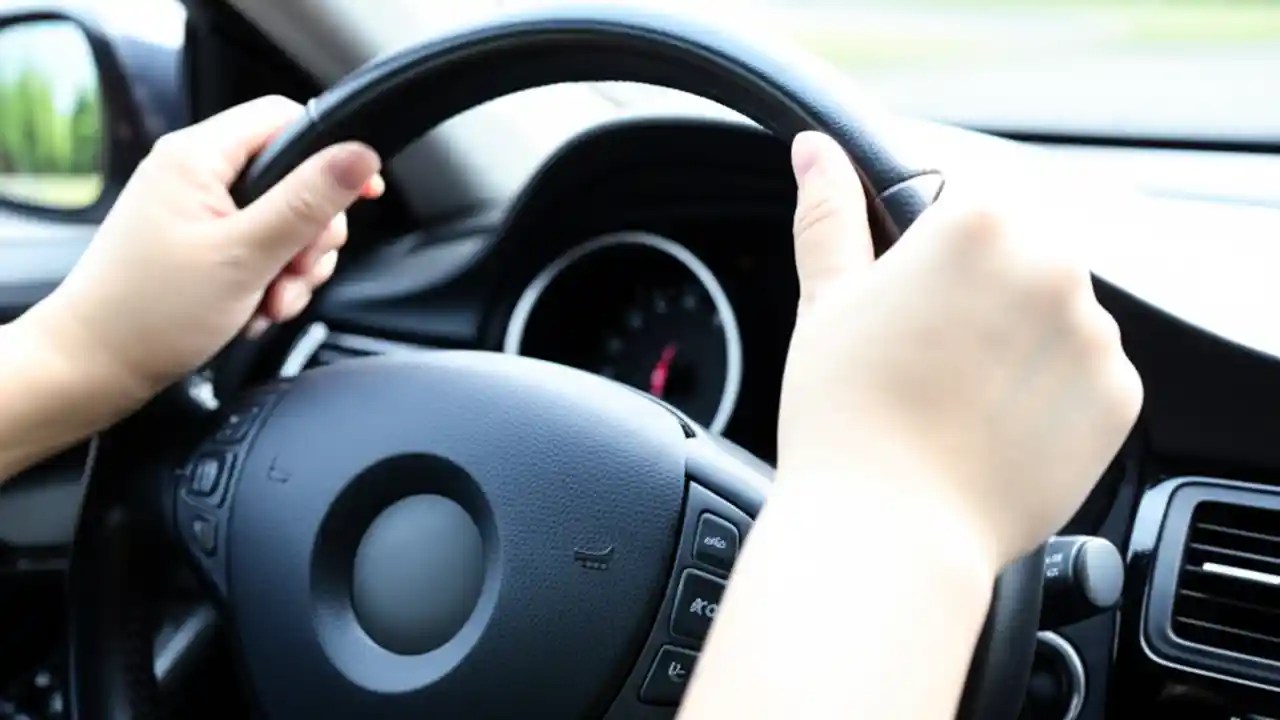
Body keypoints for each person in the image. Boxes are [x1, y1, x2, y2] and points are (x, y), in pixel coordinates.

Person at [0, 97, 1141, 718]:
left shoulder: (90, 357)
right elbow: (885, 518)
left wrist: (81, 352)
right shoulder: (894, 515)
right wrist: (897, 514)